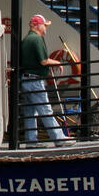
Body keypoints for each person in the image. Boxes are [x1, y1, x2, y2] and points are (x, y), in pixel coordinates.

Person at [19, 14, 72, 144]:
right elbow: (43, 61)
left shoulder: (26, 40)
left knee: (30, 112)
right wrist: (57, 63)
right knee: (45, 110)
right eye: (44, 25)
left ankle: (31, 141)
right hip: (35, 81)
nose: (45, 28)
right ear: (38, 25)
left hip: (25, 79)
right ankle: (58, 138)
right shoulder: (36, 39)